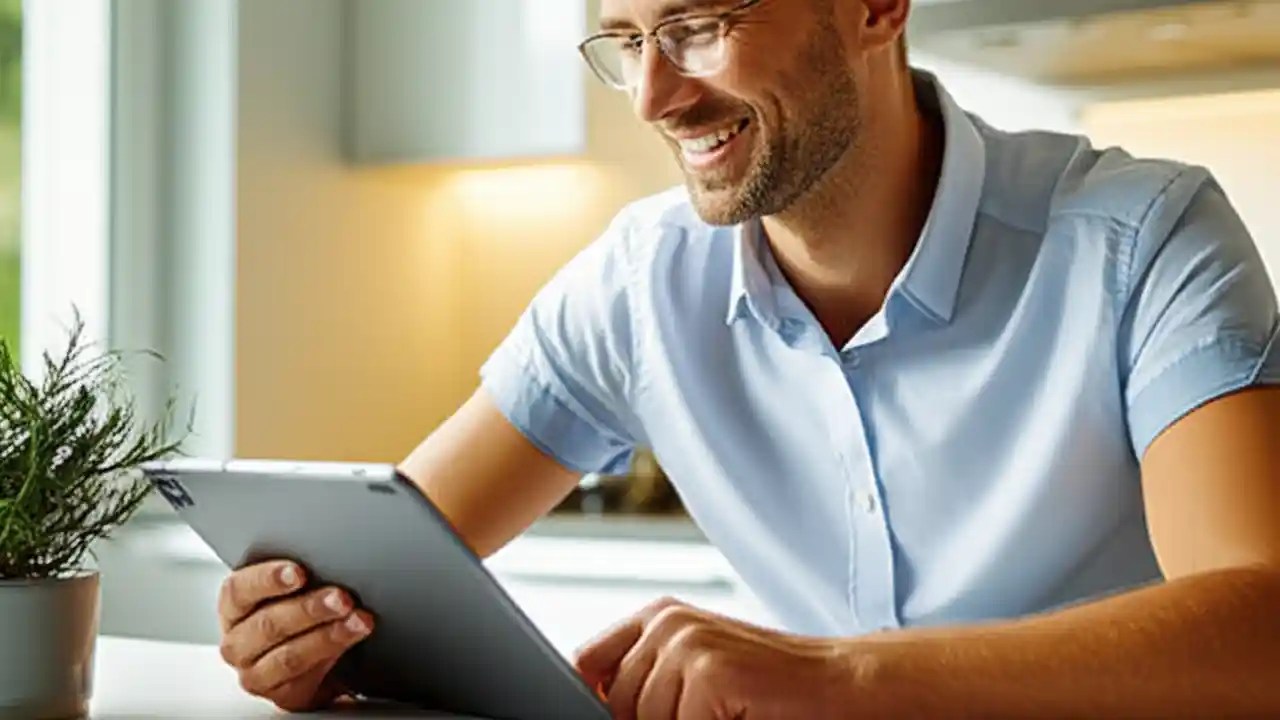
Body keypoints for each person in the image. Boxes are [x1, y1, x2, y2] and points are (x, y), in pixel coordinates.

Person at [214, 0, 1280, 716]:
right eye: (625, 38)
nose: (651, 98)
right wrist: (314, 633)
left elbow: (1257, 624)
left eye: (695, 25)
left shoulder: (1141, 236)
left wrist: (834, 676)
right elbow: (395, 557)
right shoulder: (637, 282)